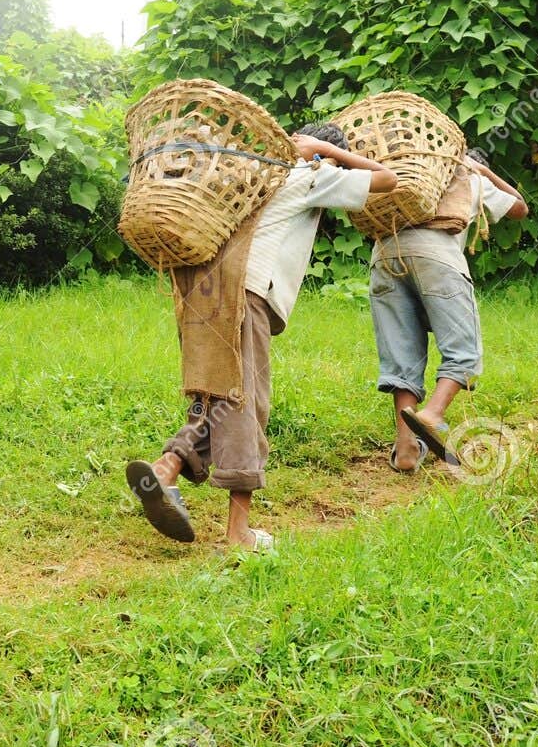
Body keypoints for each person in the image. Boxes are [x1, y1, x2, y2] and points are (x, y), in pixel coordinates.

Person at [126, 123, 397, 551]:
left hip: (206, 292)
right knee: (247, 404)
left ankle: (165, 468)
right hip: (246, 296)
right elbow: (388, 179)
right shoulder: (311, 175)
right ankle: (239, 533)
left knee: (218, 395)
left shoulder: (256, 172)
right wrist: (326, 151)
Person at [363, 143, 528, 471]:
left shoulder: (410, 178)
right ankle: (433, 413)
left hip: (384, 254)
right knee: (464, 351)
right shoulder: (470, 178)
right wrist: (484, 172)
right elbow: (521, 208)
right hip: (437, 257)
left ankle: (407, 450)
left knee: (403, 354)